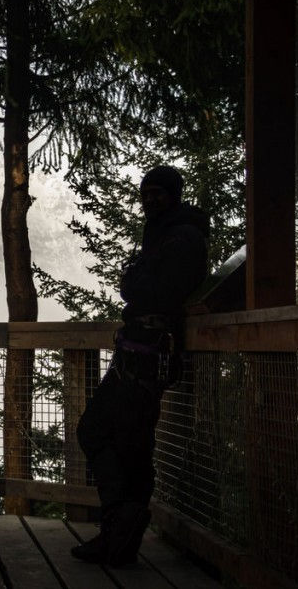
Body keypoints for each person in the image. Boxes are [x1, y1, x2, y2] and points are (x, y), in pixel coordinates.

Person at [72, 164, 209, 565]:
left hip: (146, 357)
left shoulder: (181, 236)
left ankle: (121, 528)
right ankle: (120, 533)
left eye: (158, 193)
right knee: (122, 441)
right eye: (146, 193)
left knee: (112, 437)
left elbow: (154, 290)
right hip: (141, 354)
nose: (149, 200)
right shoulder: (168, 232)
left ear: (174, 195)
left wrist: (133, 279)